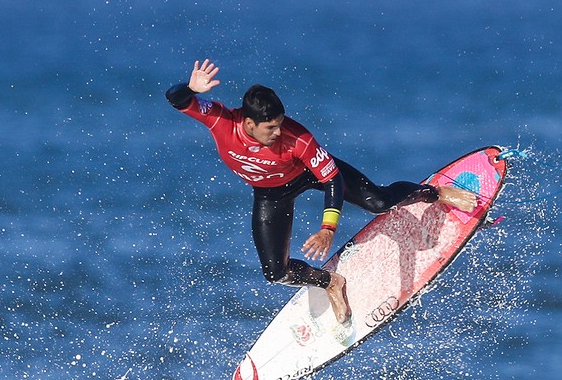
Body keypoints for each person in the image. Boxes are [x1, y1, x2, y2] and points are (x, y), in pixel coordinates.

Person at [166, 59, 472, 324]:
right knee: (275, 273)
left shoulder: (298, 139)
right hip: (270, 193)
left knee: (379, 202)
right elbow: (175, 98)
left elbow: (332, 179)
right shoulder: (220, 120)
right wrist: (190, 88)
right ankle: (330, 282)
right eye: (270, 127)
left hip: (308, 175)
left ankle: (434, 193)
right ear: (248, 123)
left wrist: (328, 229)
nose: (278, 132)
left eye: (280, 124)